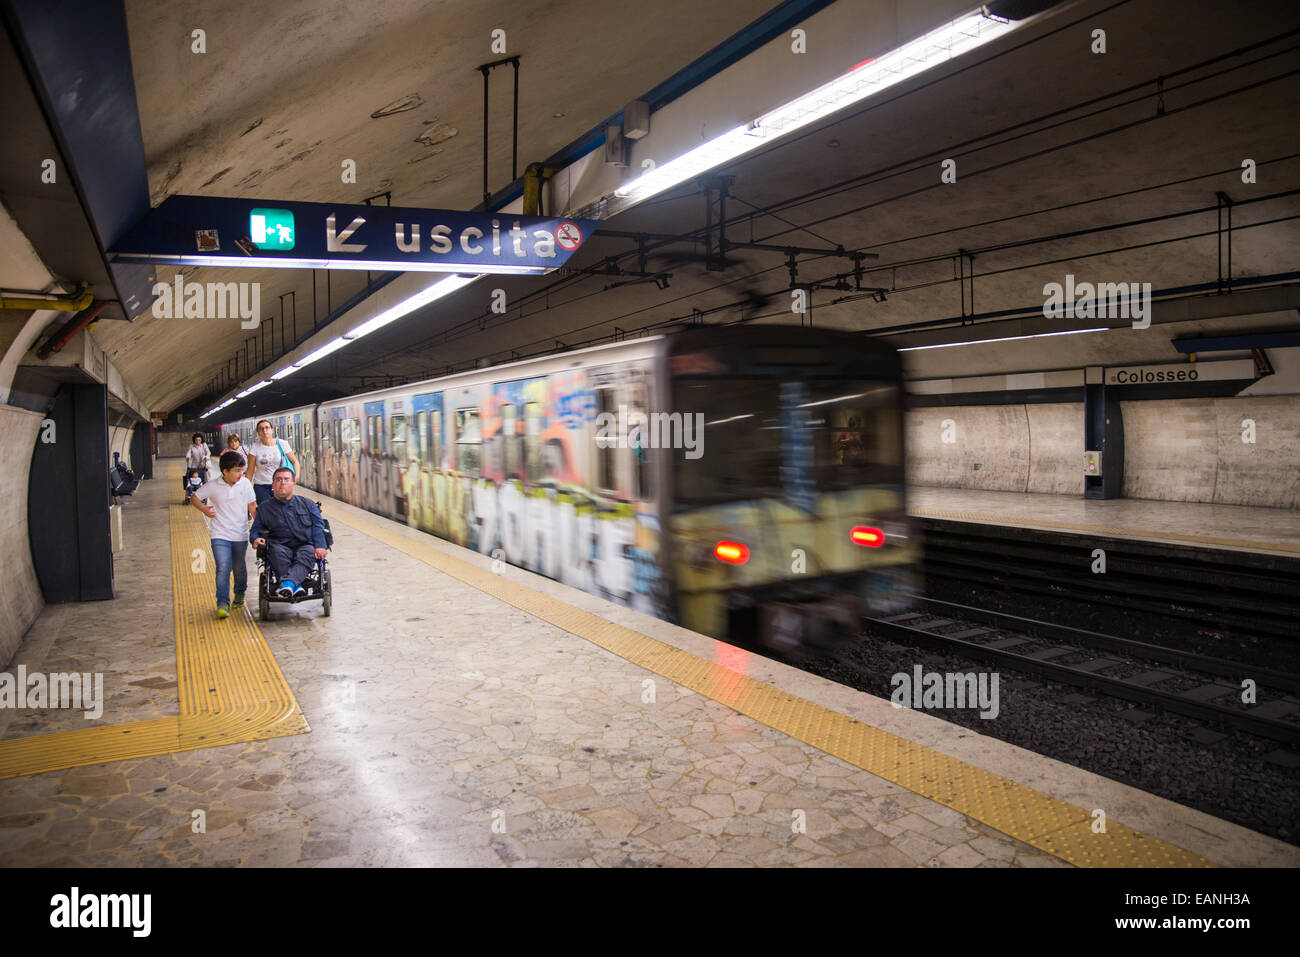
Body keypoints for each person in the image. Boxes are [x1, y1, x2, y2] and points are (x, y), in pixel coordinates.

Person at [190, 450, 257, 619]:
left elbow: (252, 507)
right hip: (219, 534)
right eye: (236, 471)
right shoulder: (213, 486)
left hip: (240, 535)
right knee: (223, 568)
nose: (240, 474)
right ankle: (222, 603)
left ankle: (240, 593)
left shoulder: (246, 484)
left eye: (241, 470)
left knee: (239, 568)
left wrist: (263, 525)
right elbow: (194, 497)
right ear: (225, 471)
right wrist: (204, 509)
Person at [250, 467, 327, 599]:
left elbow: (318, 525)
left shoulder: (307, 504)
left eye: (286, 480)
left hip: (304, 544)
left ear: (293, 483)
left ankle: (288, 584)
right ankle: (296, 586)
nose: (282, 483)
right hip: (279, 545)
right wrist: (255, 539)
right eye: (278, 480)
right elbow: (255, 530)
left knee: (308, 552)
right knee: (275, 552)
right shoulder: (264, 507)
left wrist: (320, 545)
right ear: (273, 484)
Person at [249, 419, 300, 506]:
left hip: (281, 484)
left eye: (267, 428)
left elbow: (295, 461)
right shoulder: (255, 447)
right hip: (261, 486)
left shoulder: (282, 444)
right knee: (267, 512)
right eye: (261, 429)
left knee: (282, 510)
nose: (264, 431)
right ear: (258, 432)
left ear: (272, 430)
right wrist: (245, 487)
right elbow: (250, 470)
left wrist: (296, 477)